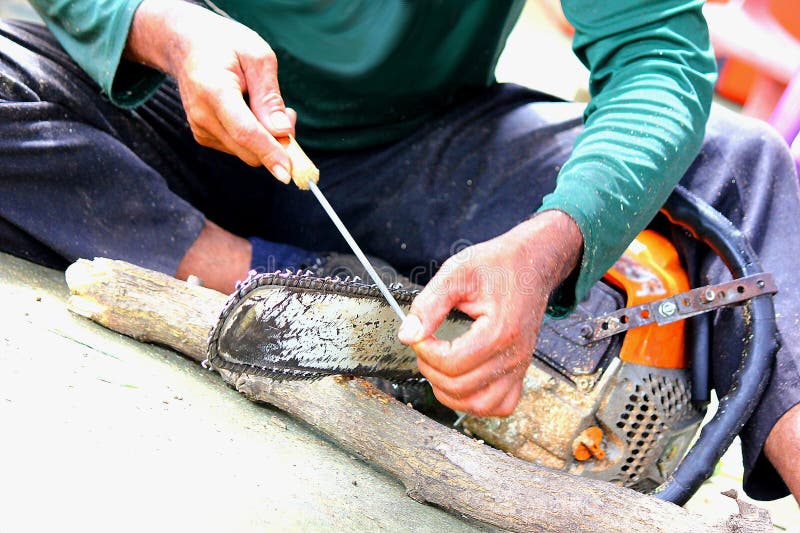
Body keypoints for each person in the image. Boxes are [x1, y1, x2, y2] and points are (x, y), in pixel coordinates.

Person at [1, 0, 799, 502]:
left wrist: (553, 243)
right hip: (157, 96)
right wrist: (162, 28)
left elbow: (658, 55)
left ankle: (358, 307)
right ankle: (249, 272)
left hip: (418, 145)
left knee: (740, 167)